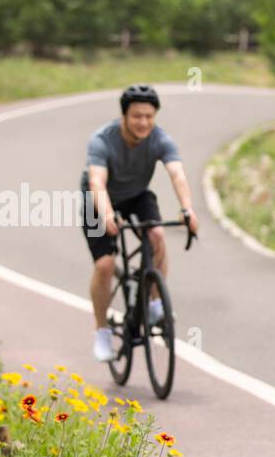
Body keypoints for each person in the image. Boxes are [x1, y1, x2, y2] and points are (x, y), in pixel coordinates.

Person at [80, 84, 198, 362]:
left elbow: (177, 174)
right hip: (99, 199)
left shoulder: (161, 139)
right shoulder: (102, 139)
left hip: (136, 195)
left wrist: (187, 210)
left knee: (157, 235)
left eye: (149, 116)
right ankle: (102, 332)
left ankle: (155, 302)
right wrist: (107, 214)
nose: (143, 122)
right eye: (136, 116)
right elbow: (97, 181)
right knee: (105, 265)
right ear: (124, 116)